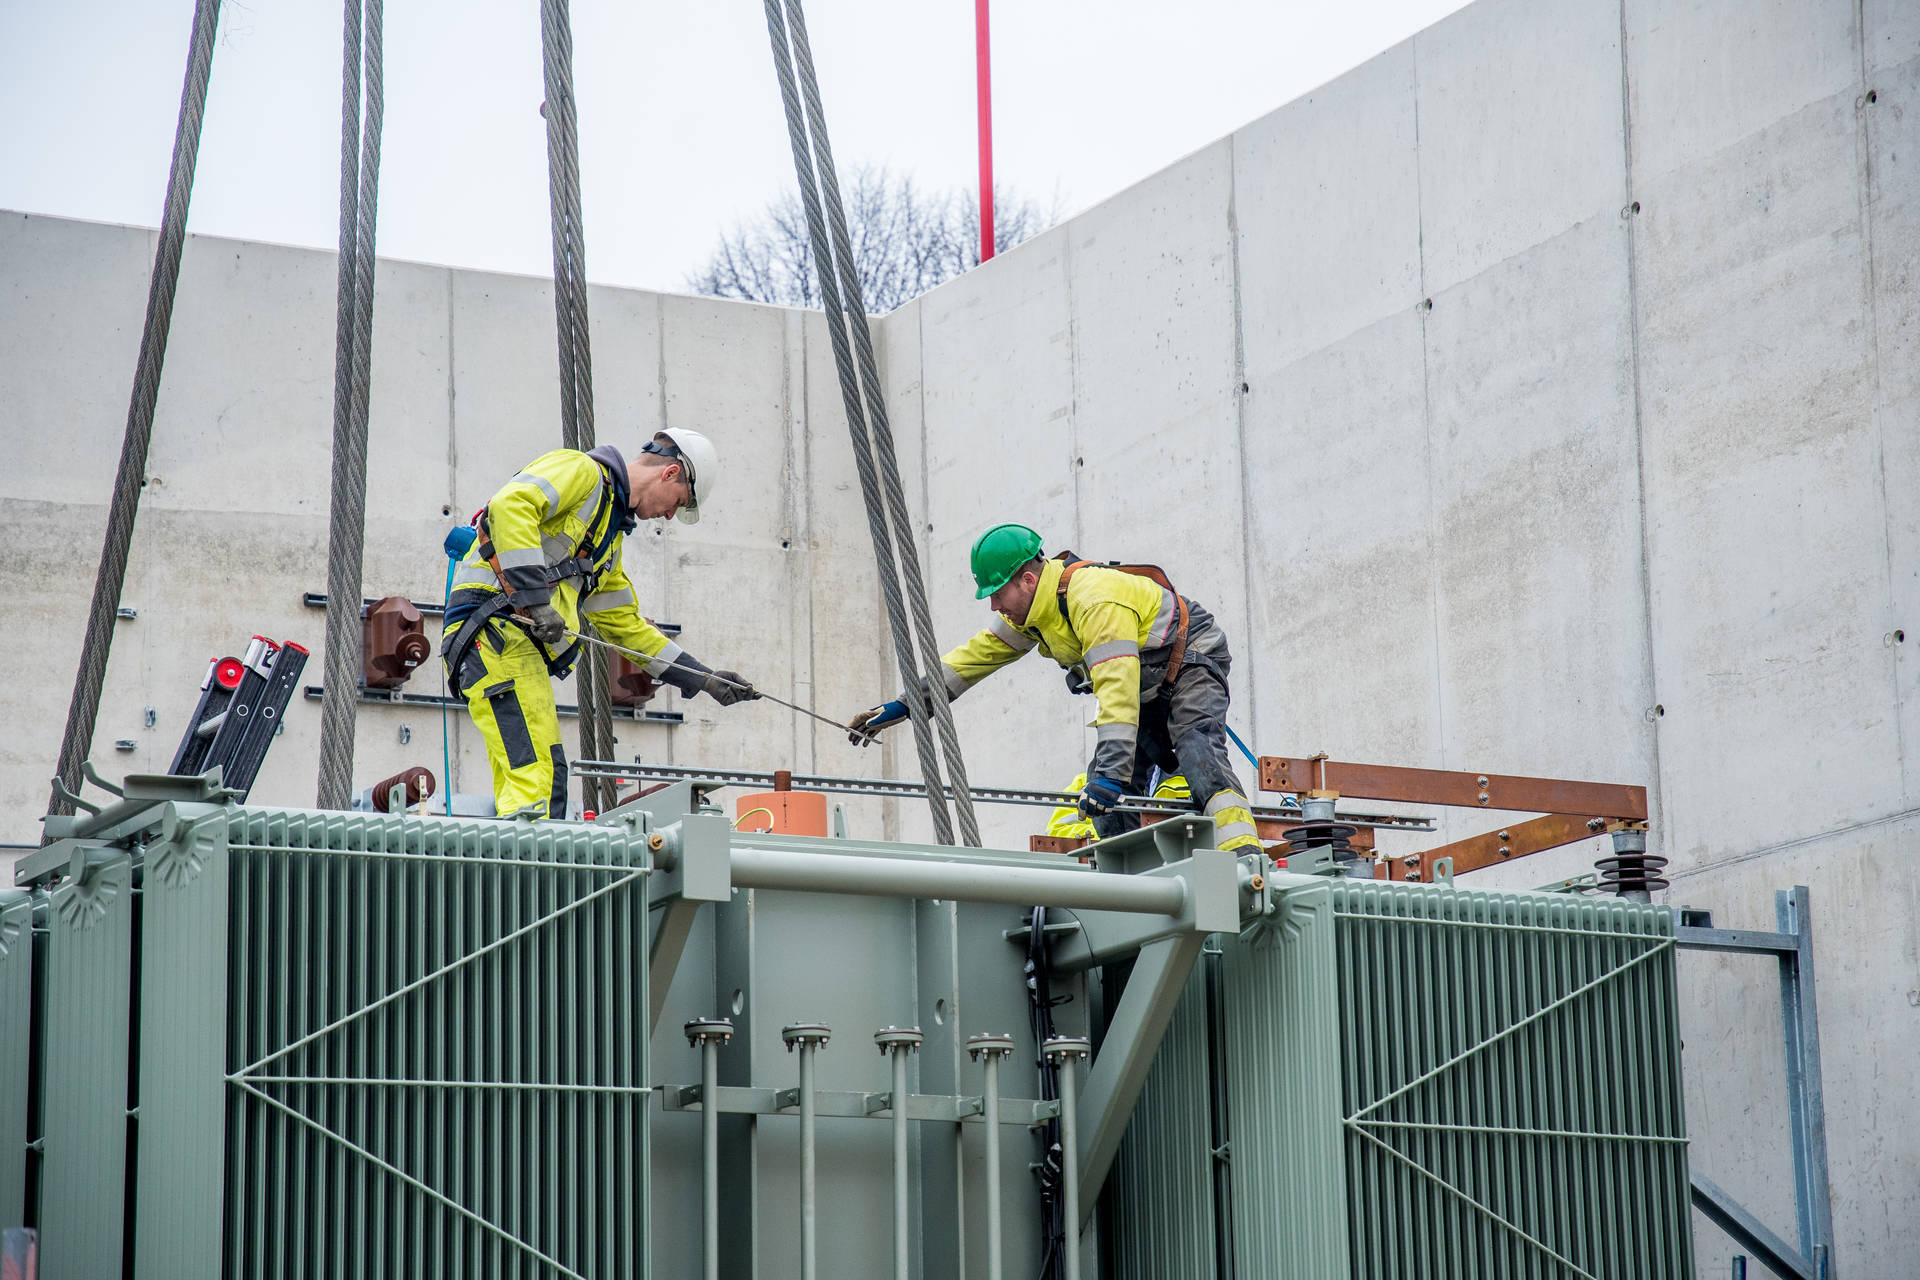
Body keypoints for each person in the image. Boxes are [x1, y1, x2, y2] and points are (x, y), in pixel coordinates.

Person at [848, 523, 1260, 853]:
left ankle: (1242, 852)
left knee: (1196, 748)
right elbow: (973, 658)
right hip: (1146, 679)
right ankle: (1132, 878)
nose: (994, 606)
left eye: (997, 594)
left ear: (1027, 580)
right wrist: (905, 705)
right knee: (1105, 795)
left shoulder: (1092, 600)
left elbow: (1116, 688)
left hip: (1190, 659)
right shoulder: (1036, 612)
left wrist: (1111, 775)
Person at [442, 430, 759, 819]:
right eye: (678, 502)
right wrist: (535, 602)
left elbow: (626, 626)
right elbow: (512, 505)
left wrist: (702, 678)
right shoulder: (581, 471)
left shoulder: (606, 542)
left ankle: (521, 850)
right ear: (670, 473)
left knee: (534, 776)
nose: (669, 515)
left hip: (505, 643)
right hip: (494, 633)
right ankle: (531, 857)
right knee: (538, 781)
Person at [1046, 771, 1192, 841]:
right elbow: (1056, 834)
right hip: (1110, 876)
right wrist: (1109, 833)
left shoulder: (1189, 778)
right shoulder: (1087, 783)